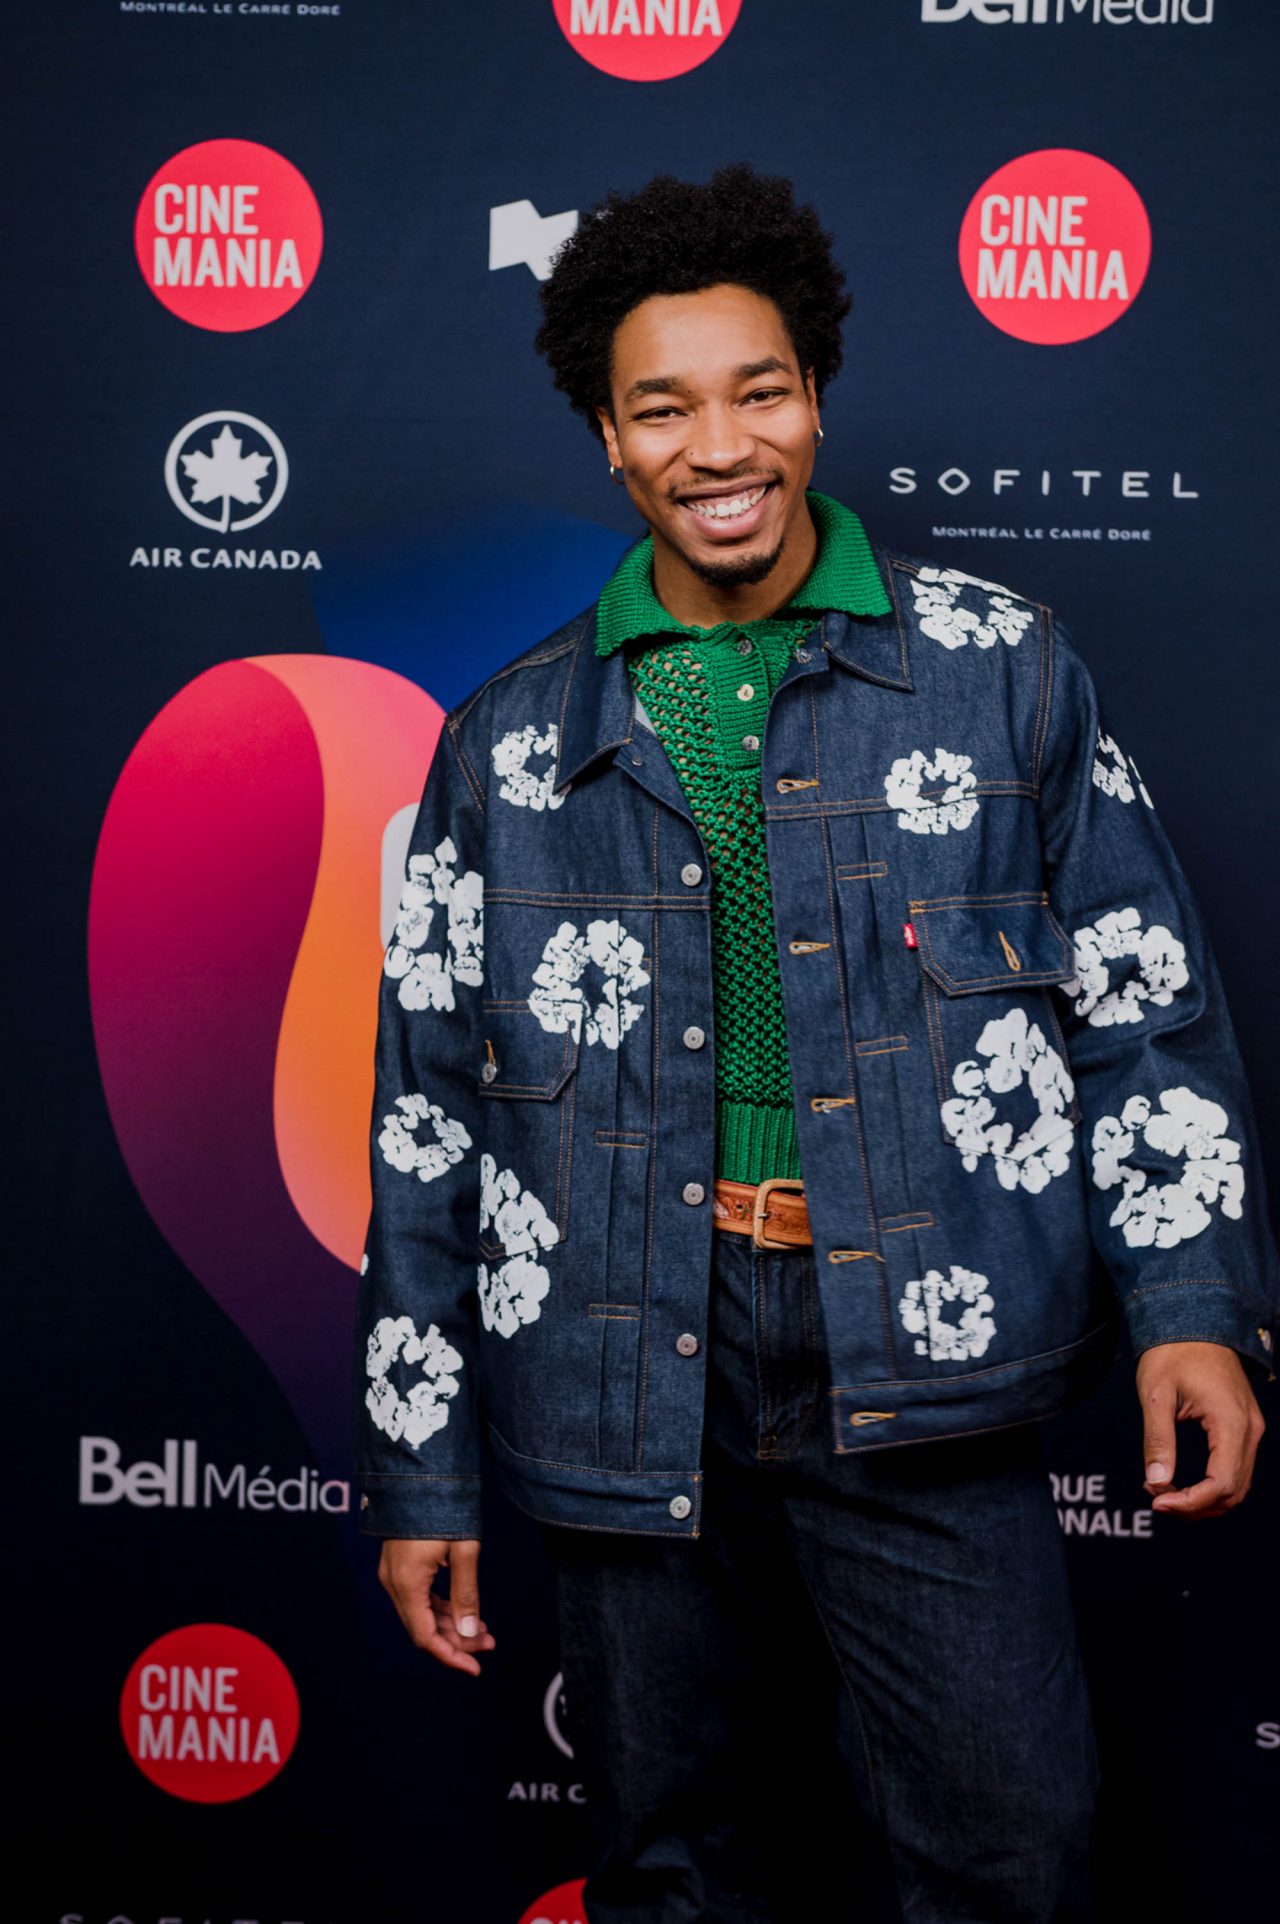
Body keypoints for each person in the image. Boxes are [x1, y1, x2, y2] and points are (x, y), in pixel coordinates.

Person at [355, 163, 1277, 1921]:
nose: (722, 444)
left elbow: (1146, 1009)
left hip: (919, 1363)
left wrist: (1190, 1311)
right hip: (637, 1368)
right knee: (679, 1875)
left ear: (815, 400)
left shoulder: (999, 670)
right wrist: (422, 1463)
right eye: (665, 406)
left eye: (759, 390)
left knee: (1006, 1858)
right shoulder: (504, 746)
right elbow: (427, 1123)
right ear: (610, 446)